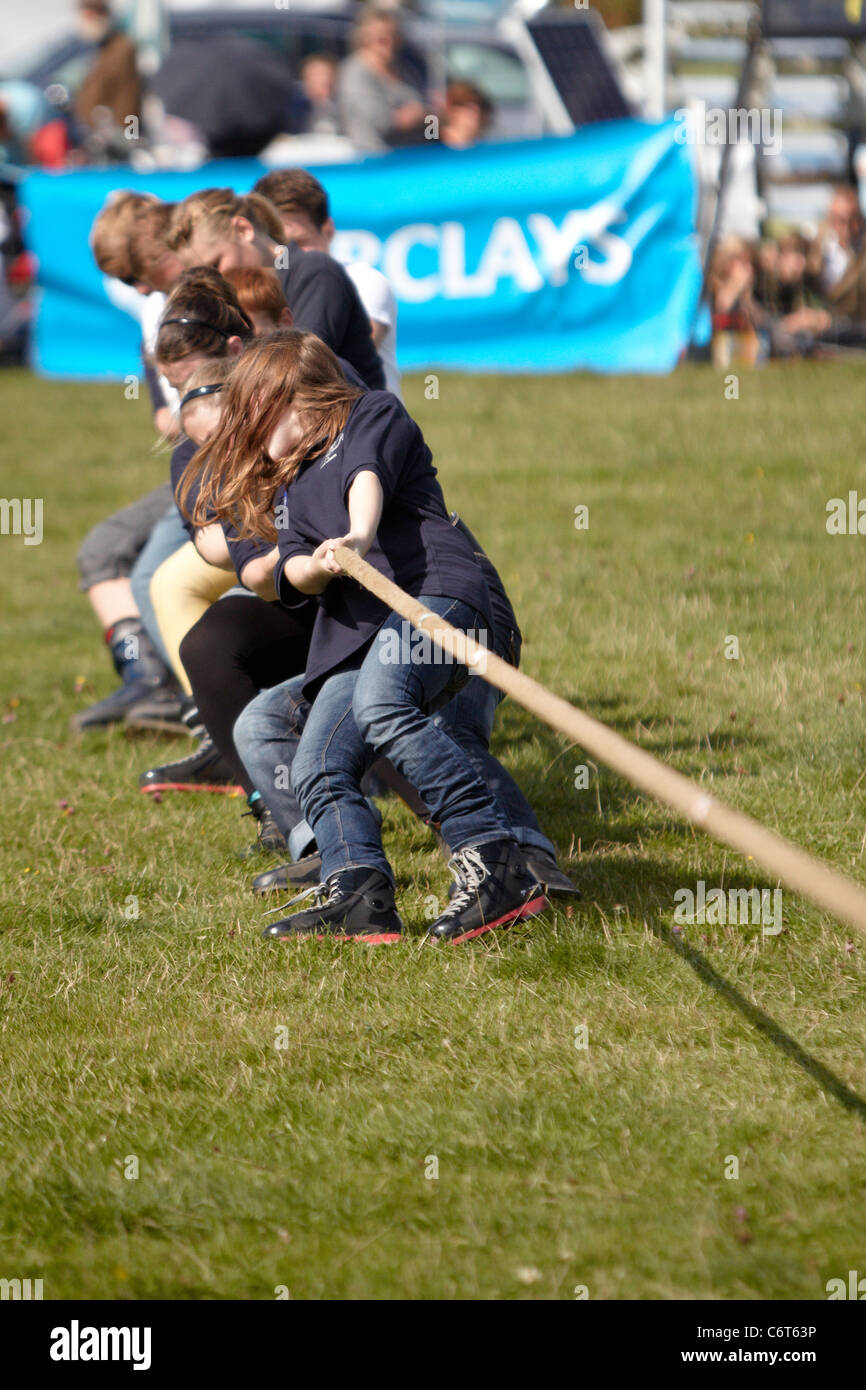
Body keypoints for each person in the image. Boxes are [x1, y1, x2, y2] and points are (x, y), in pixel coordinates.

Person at [194, 331, 549, 944]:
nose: (247, 432)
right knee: (319, 759)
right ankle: (358, 891)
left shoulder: (370, 413)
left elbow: (365, 475)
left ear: (295, 397)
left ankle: (495, 861)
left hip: (432, 597)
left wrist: (358, 537)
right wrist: (318, 565)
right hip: (356, 635)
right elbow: (292, 571)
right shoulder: (291, 487)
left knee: (384, 705)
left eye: (254, 412)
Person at [167, 187, 385, 389]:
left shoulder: (314, 270)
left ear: (243, 230)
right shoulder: (233, 296)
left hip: (355, 424)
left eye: (216, 264)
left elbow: (303, 367)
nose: (217, 279)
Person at [253, 167, 401, 396]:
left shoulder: (365, 281)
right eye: (277, 247)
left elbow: (337, 368)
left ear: (328, 231)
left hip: (365, 425)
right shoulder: (255, 291)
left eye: (299, 243)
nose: (289, 258)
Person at [337, 7, 427, 153]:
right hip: (375, 159)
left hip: (413, 156)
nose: (390, 42)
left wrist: (424, 116)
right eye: (382, 38)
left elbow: (428, 114)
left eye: (394, 36)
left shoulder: (405, 71)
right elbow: (381, 122)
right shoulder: (355, 73)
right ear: (365, 38)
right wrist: (414, 115)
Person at [74, 1, 141, 135]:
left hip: (114, 137)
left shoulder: (122, 49)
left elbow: (128, 101)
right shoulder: (100, 48)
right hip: (93, 134)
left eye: (88, 17)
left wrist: (129, 136)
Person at [440, 81, 493, 150]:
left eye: (479, 107)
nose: (473, 114)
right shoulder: (427, 145)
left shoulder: (484, 149)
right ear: (450, 109)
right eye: (465, 105)